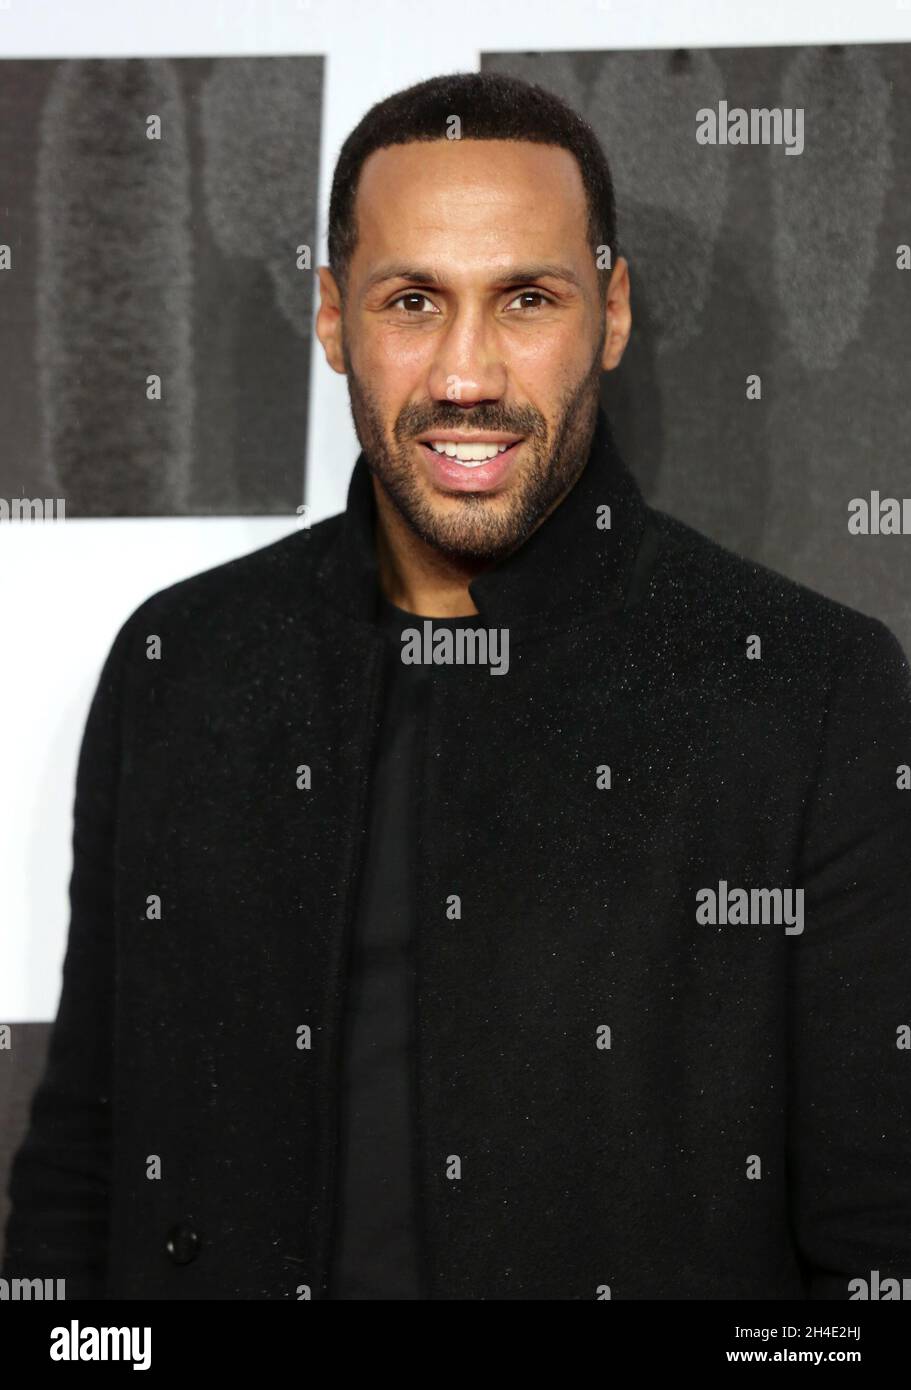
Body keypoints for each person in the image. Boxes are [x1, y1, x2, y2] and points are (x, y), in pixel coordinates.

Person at [4, 70, 910, 1301]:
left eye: (525, 298)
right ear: (332, 319)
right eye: (413, 299)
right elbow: (83, 1160)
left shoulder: (807, 690)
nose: (467, 375)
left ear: (612, 313)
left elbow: (877, 1239)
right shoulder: (183, 660)